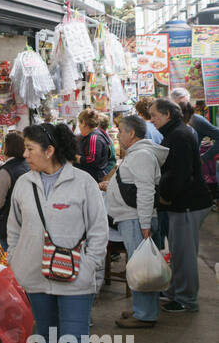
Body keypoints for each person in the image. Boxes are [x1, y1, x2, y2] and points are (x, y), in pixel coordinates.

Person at [7, 122, 108, 343]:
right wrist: (15, 258)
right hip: (36, 277)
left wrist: (90, 266)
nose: (25, 154)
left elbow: (98, 230)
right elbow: (13, 226)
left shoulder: (83, 183)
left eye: (30, 149)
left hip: (75, 280)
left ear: (50, 151)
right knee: (47, 335)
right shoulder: (24, 183)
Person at [104, 115, 168, 329]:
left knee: (142, 267)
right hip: (132, 219)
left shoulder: (141, 155)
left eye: (121, 131)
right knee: (139, 265)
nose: (119, 135)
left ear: (131, 133)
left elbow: (146, 190)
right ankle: (142, 308)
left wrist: (144, 223)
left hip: (137, 220)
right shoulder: (138, 154)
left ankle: (145, 314)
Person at [149, 98, 212, 313]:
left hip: (188, 204)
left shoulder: (179, 135)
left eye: (155, 115)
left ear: (167, 115)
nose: (152, 120)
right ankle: (175, 291)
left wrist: (165, 196)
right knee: (177, 251)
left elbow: (179, 174)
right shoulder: (176, 133)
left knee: (184, 254)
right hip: (181, 203)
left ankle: (186, 299)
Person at [0, 131, 28, 250]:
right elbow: (4, 166)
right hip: (25, 223)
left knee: (9, 263)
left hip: (8, 227)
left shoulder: (6, 172)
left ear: (7, 147)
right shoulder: (26, 165)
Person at [169, 88, 219, 164]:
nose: (183, 108)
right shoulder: (167, 119)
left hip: (190, 170)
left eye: (185, 104)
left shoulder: (196, 120)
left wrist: (204, 158)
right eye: (178, 105)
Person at [75, 108, 112, 183]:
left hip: (92, 178)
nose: (79, 126)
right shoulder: (95, 134)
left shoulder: (93, 138)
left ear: (84, 123)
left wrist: (76, 158)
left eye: (80, 123)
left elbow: (92, 159)